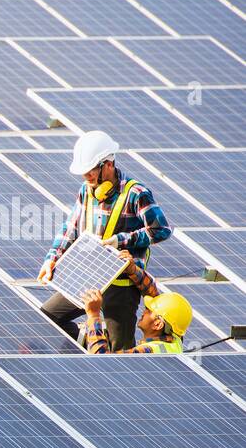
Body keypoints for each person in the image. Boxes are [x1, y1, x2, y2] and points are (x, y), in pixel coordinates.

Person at [37, 130, 171, 350]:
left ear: (107, 164)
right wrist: (52, 258)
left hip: (122, 286)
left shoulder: (136, 193)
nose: (86, 177)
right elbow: (70, 228)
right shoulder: (86, 190)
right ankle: (86, 340)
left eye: (90, 171)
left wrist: (122, 240)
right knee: (48, 317)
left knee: (118, 354)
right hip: (88, 277)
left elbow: (161, 229)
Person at [80, 252, 192, 354]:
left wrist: (93, 315)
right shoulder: (174, 338)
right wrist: (132, 269)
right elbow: (152, 292)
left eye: (149, 310)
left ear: (158, 324)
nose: (144, 311)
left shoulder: (148, 352)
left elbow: (101, 361)